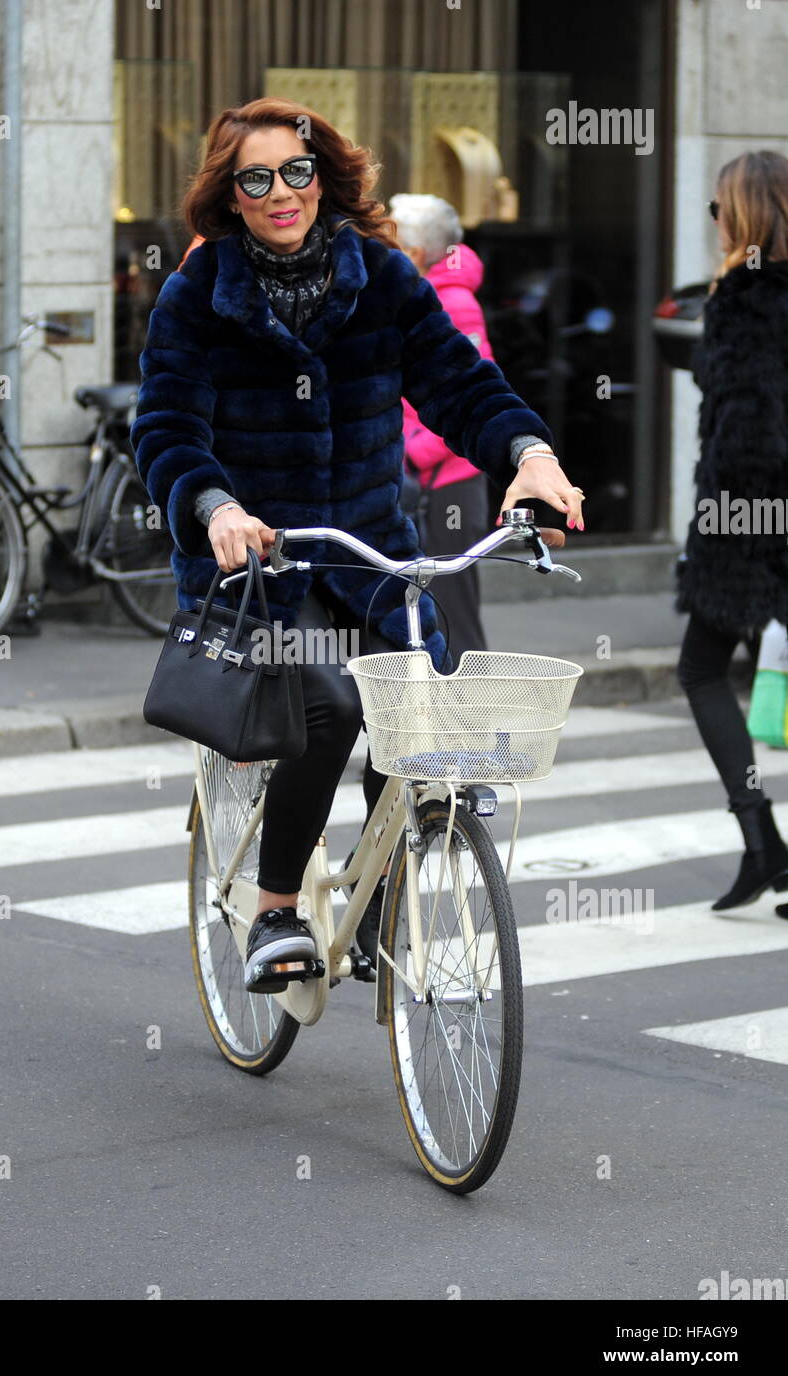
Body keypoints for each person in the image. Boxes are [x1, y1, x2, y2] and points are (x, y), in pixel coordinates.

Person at [132, 97, 585, 990]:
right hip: (257, 564)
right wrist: (216, 506)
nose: (280, 193)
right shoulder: (198, 290)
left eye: (295, 171)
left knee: (411, 707)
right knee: (333, 701)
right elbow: (166, 430)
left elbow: (463, 385)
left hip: (367, 553)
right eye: (254, 179)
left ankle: (384, 907)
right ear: (231, 194)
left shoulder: (378, 276)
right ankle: (274, 910)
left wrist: (529, 455)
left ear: (322, 174)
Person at [675, 150, 788, 912]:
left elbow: (751, 429)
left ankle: (760, 841)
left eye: (719, 210)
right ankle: (763, 847)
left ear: (743, 216)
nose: (713, 222)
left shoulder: (745, 296)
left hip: (747, 529)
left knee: (702, 671)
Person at [390, 192, 494, 658]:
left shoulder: (453, 302)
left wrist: (412, 448)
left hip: (445, 484)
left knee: (453, 615)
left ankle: (472, 719)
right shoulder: (419, 292)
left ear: (413, 251)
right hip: (427, 482)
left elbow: (472, 397)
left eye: (390, 233)